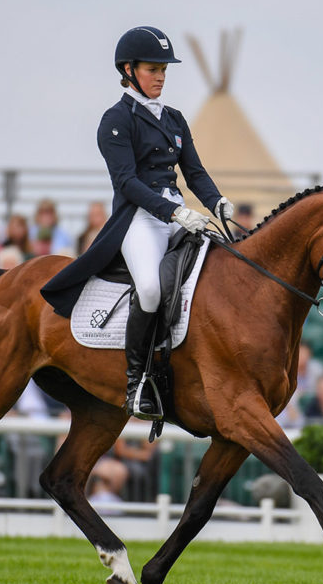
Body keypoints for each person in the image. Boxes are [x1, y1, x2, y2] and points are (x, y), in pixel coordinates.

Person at [41, 25, 234, 419]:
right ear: (128, 70)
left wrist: (219, 203)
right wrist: (175, 212)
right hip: (139, 220)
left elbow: (194, 174)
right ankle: (138, 382)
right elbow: (126, 182)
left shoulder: (175, 118)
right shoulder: (116, 120)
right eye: (152, 69)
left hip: (179, 216)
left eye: (164, 69)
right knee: (149, 289)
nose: (160, 75)